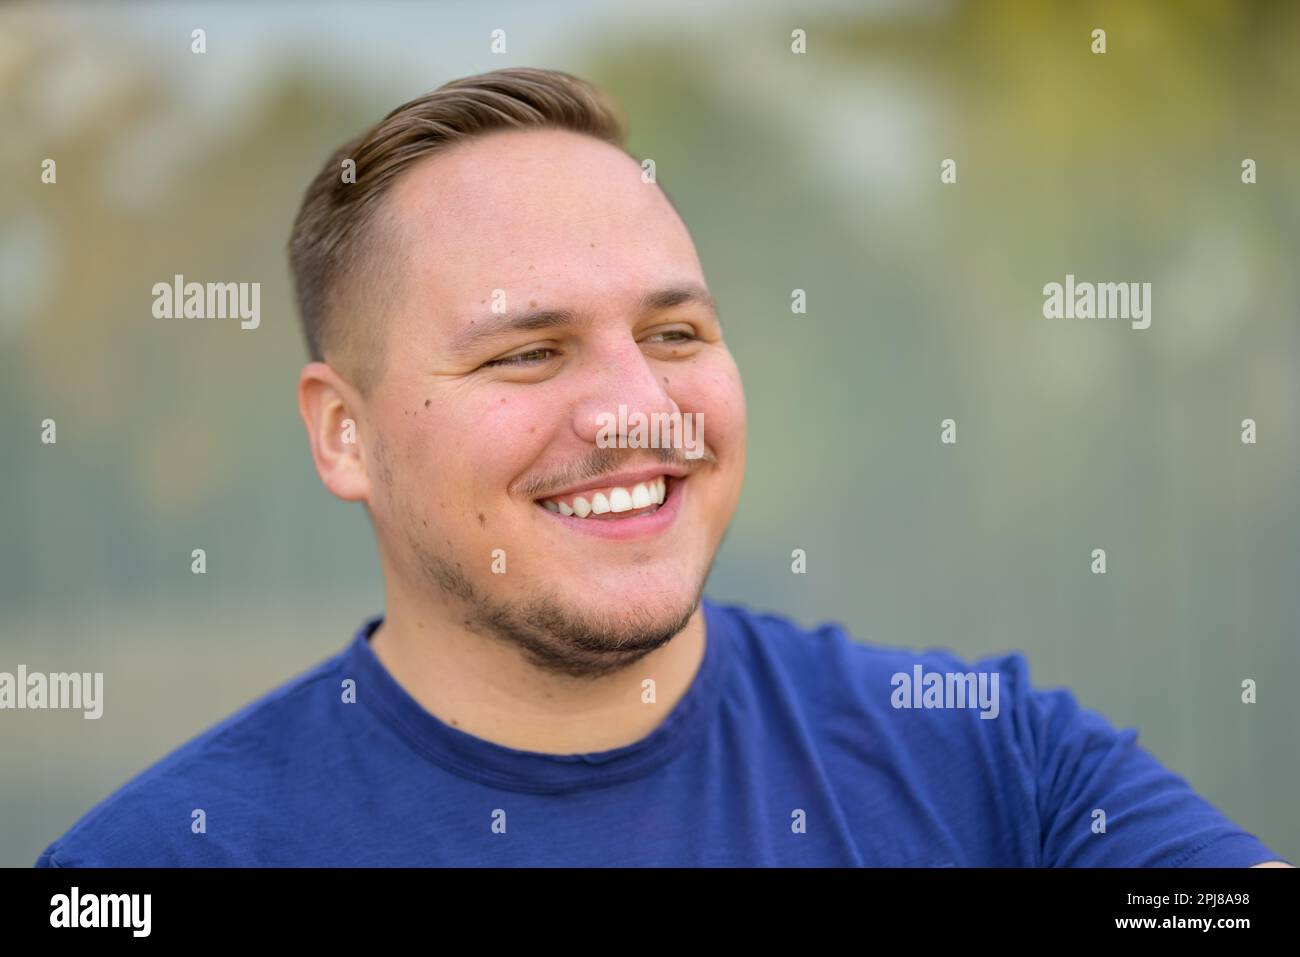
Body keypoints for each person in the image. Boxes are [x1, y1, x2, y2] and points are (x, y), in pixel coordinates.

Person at [37, 68, 1289, 867]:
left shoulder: (992, 772)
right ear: (342, 435)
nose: (639, 411)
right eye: (529, 354)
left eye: (674, 334)